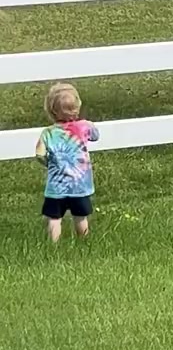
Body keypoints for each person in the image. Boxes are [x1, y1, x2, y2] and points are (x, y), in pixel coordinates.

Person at [35, 82, 100, 242]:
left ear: (51, 109)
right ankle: (84, 241)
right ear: (77, 106)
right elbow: (95, 135)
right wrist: (90, 124)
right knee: (80, 216)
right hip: (80, 185)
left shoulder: (48, 133)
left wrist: (49, 163)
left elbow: (39, 154)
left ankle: (54, 244)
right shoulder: (83, 127)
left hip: (57, 186)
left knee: (54, 218)